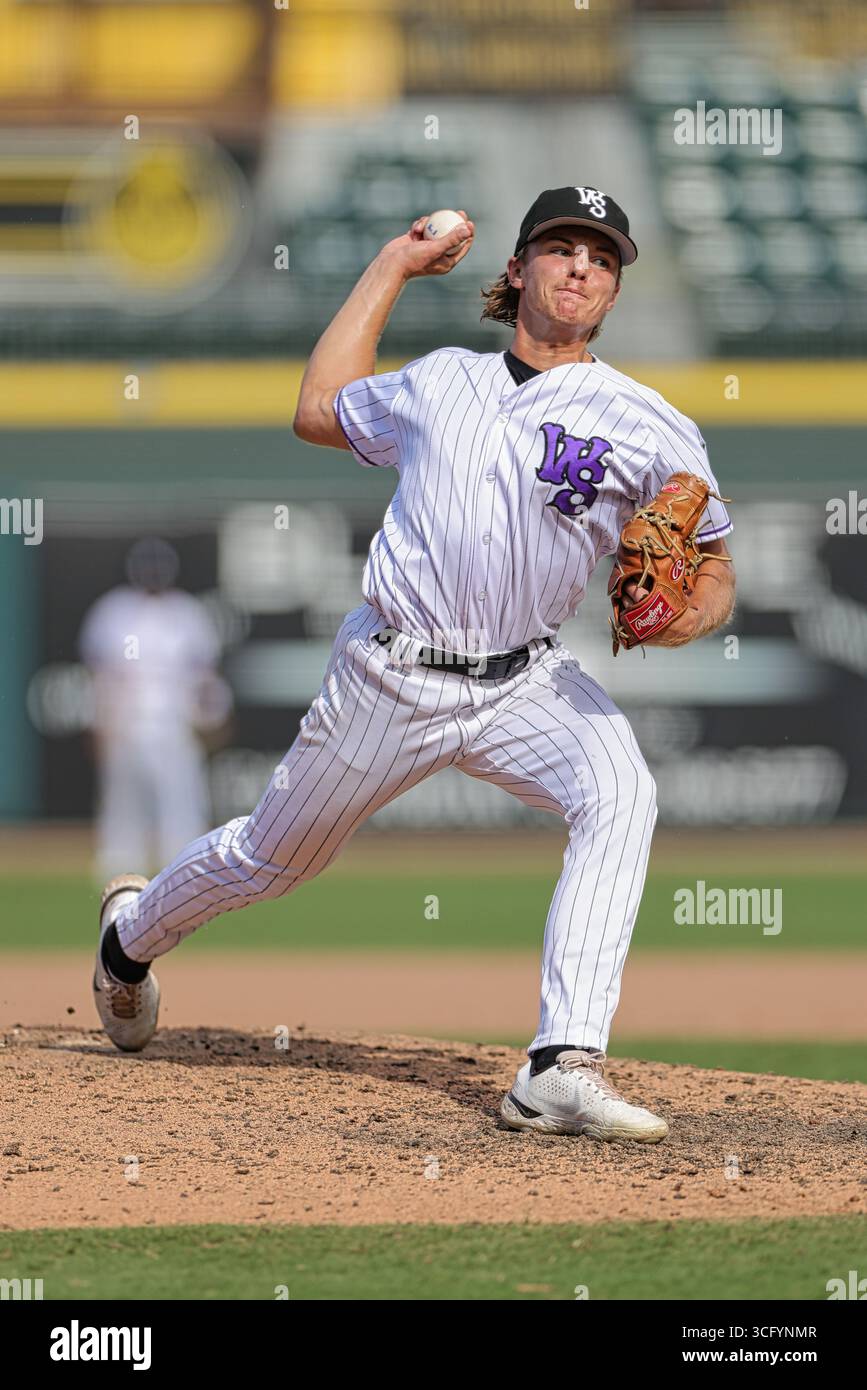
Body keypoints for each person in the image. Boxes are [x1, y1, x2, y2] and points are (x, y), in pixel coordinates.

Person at [93, 187, 735, 1145]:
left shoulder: (650, 423)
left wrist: (684, 618)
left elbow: (714, 568)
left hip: (526, 681)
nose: (580, 269)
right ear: (516, 270)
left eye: (601, 259)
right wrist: (392, 264)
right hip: (390, 677)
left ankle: (561, 1065)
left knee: (620, 792)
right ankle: (129, 939)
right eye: (560, 249)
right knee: (271, 860)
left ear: (612, 290)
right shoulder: (437, 382)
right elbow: (316, 410)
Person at [79, 537, 228, 880]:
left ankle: (185, 880)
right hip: (126, 725)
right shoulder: (114, 611)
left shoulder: (187, 613)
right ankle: (117, 889)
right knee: (122, 817)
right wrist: (101, 725)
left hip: (175, 726)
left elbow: (205, 679)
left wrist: (211, 721)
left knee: (181, 812)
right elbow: (102, 679)